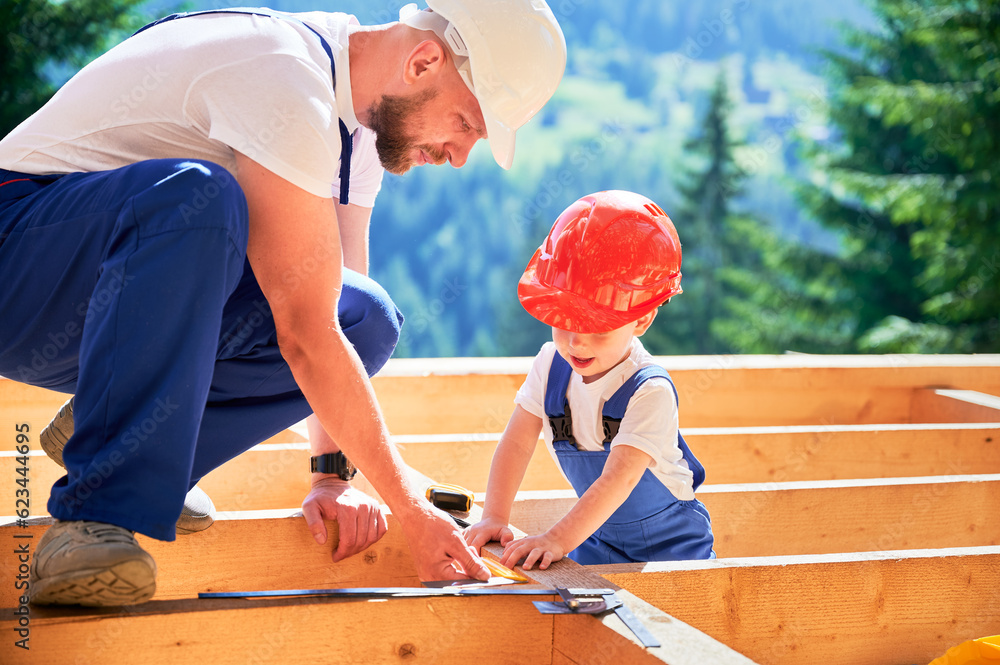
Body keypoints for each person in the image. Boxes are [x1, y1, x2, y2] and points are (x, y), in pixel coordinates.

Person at [0, 0, 566, 605]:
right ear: (424, 61)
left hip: (102, 299)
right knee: (196, 197)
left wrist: (333, 476)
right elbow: (302, 331)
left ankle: (116, 440)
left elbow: (332, 322)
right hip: (19, 262)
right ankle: (98, 515)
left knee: (365, 315)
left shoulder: (354, 129)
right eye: (466, 124)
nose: (459, 155)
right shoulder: (283, 73)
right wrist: (408, 508)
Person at [465, 190, 715, 569]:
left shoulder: (649, 391)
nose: (576, 341)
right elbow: (516, 442)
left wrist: (556, 538)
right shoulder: (551, 365)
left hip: (673, 552)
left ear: (642, 320)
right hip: (596, 537)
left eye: (597, 326)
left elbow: (620, 479)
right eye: (564, 320)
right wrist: (494, 516)